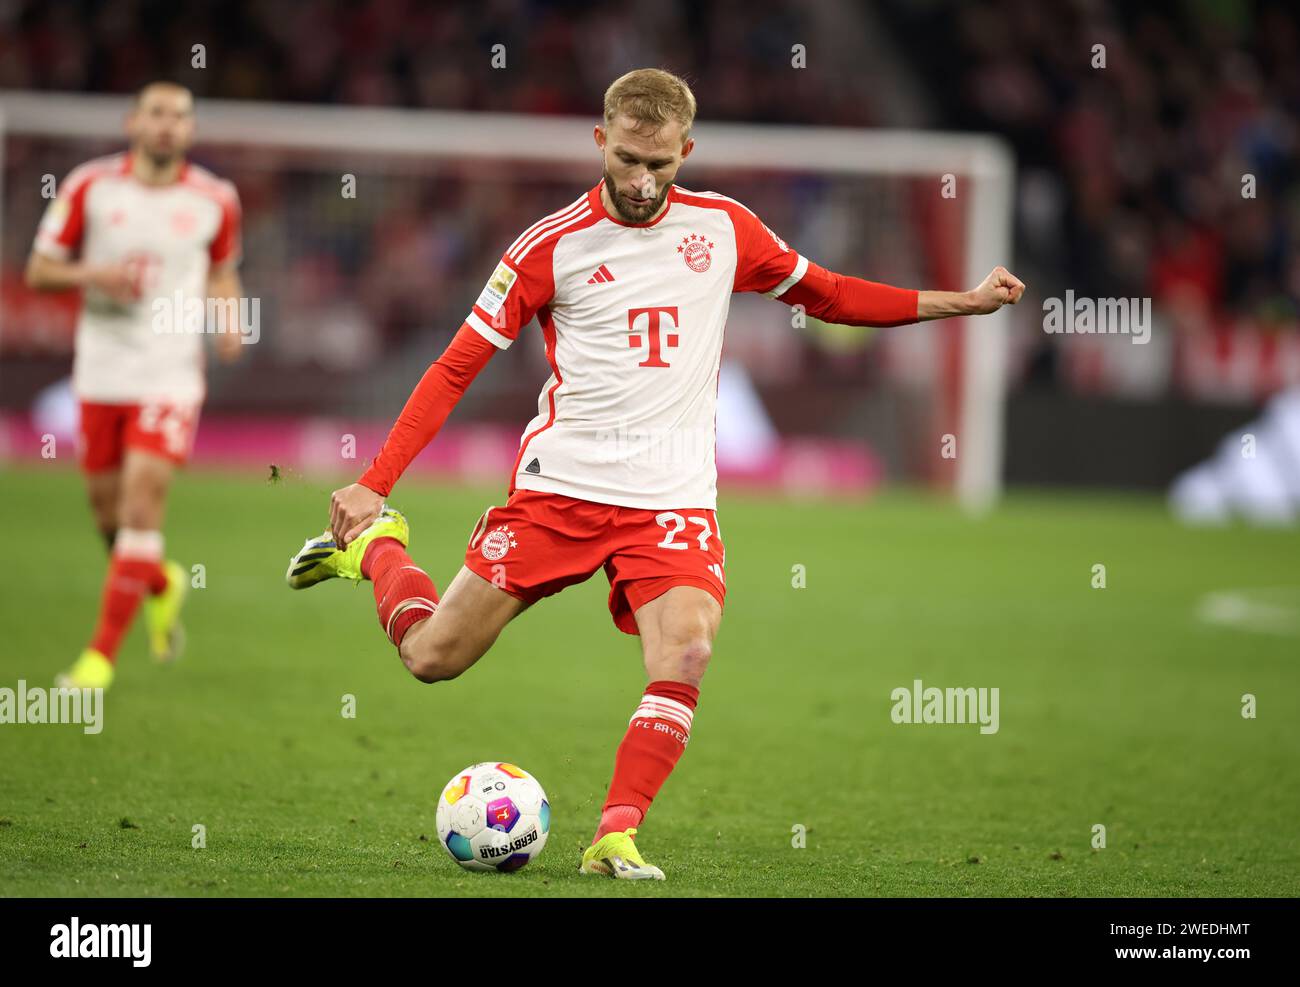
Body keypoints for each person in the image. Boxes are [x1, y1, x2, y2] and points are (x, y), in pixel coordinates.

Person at [285, 68, 1024, 879]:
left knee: (688, 651)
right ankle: (376, 550)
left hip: (671, 499)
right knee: (433, 655)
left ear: (687, 152)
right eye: (628, 160)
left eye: (660, 164)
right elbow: (455, 367)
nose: (642, 181)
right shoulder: (548, 246)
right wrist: (376, 483)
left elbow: (832, 295)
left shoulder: (726, 229)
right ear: (601, 142)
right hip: (561, 490)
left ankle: (615, 833)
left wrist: (961, 301)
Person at [27, 82, 245, 690]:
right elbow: (38, 270)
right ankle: (159, 581)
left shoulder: (216, 199)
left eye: (180, 116)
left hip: (169, 373)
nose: (167, 125)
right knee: (108, 516)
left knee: (140, 507)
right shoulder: (90, 187)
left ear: (190, 130)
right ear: (133, 123)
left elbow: (222, 271)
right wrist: (90, 273)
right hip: (101, 370)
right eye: (156, 113)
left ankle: (98, 659)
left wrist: (230, 320)